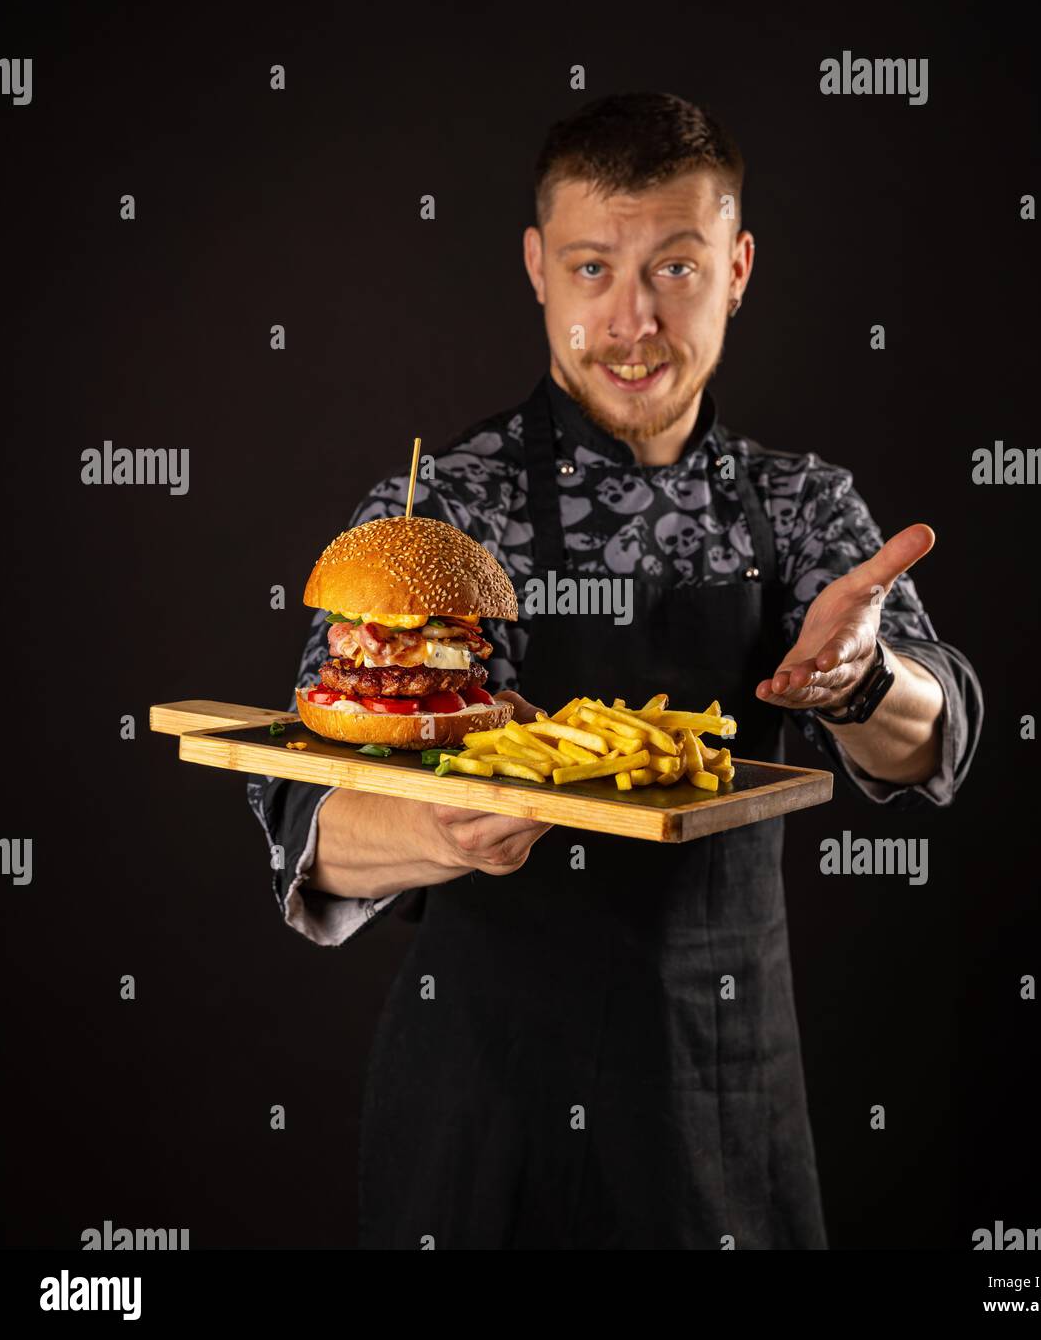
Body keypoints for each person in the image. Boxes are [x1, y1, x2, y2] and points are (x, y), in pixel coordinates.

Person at [248, 92, 982, 1250]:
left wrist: (857, 679)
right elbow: (302, 811)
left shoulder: (800, 504)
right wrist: (443, 831)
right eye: (593, 269)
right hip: (481, 1107)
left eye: (675, 269)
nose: (632, 319)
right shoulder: (445, 504)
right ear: (538, 269)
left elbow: (933, 734)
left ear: (736, 269)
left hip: (722, 1089)